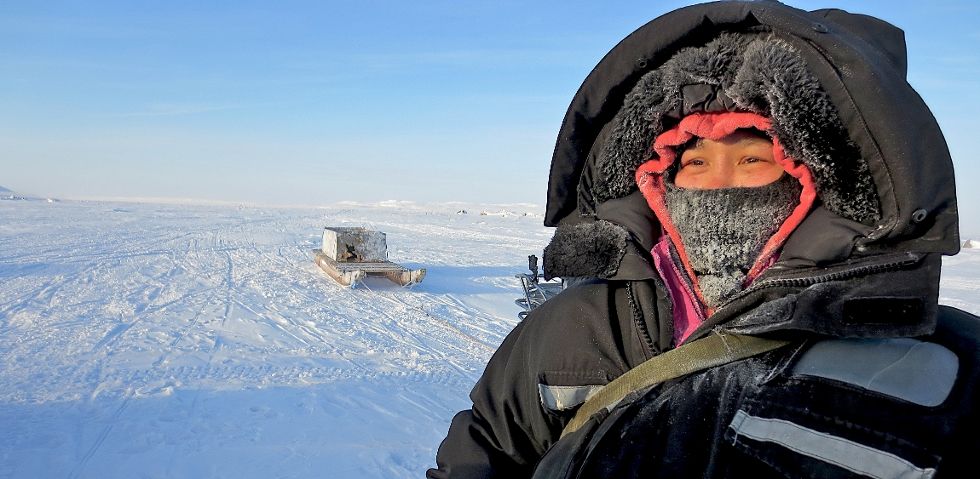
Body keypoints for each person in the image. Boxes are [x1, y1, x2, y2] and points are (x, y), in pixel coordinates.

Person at [428, 2, 980, 478]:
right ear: (659, 181)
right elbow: (487, 449)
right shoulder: (575, 327)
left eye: (751, 159)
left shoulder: (938, 360)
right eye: (695, 162)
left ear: (814, 179)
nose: (718, 183)